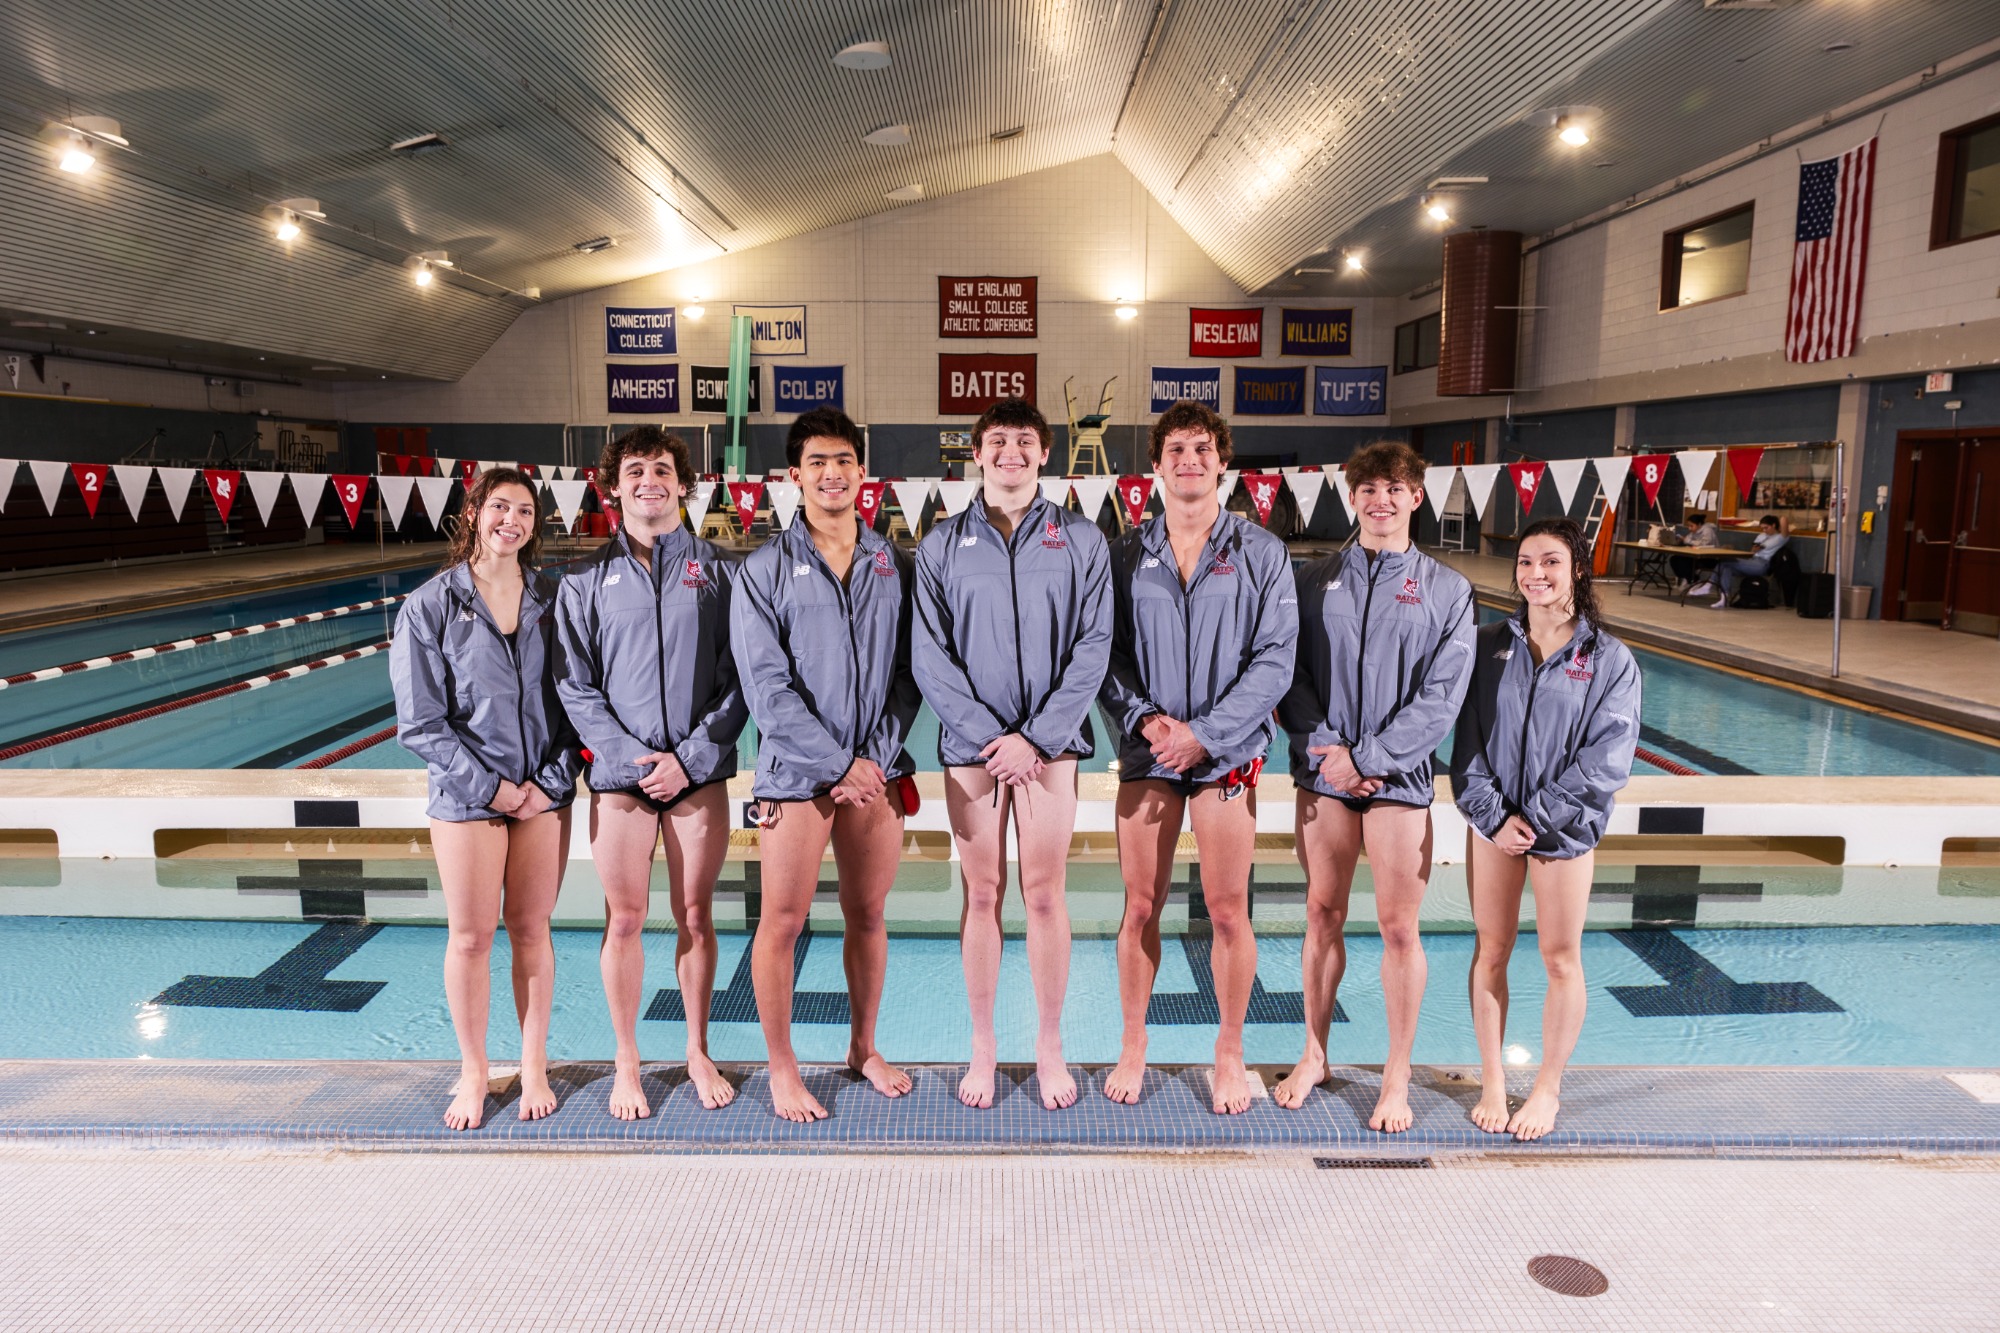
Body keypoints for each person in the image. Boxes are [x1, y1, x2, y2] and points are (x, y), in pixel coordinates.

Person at [912, 396, 1113, 1111]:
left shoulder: (1083, 540)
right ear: (976, 453)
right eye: (997, 441)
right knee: (984, 894)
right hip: (973, 751)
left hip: (1050, 749)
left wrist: (1037, 736)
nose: (1010, 453)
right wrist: (991, 738)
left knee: (1045, 893)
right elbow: (929, 655)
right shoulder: (939, 545)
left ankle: (1049, 1043)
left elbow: (1095, 646)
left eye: (1023, 441)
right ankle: (983, 1045)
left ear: (1045, 453)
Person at [1099, 402, 1298, 1115]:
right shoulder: (1124, 553)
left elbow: (1275, 660)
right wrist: (1148, 720)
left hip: (1226, 755)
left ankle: (1229, 1049)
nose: (1189, 459)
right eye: (1175, 449)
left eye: (1202, 448)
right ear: (1154, 466)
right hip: (1150, 750)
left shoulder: (1260, 552)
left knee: (1225, 908)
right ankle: (1133, 1042)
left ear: (1223, 462)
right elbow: (1104, 653)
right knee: (1140, 905)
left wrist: (1206, 733)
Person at [1275, 440, 1476, 1131]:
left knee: (1398, 927)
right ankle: (1314, 1051)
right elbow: (1289, 673)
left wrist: (1370, 756)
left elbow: (1442, 699)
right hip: (1325, 772)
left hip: (1398, 777)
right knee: (1322, 914)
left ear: (1416, 497)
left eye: (1394, 489)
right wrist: (1326, 748)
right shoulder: (1311, 579)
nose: (1380, 500)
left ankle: (1396, 1075)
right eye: (1368, 489)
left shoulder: (1449, 590)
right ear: (1352, 496)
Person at [731, 408, 922, 1122]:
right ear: (794, 476)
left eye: (844, 459)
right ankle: (782, 1066)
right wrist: (838, 762)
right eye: (817, 461)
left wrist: (871, 757)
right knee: (781, 919)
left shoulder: (892, 563)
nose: (832, 472)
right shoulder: (764, 571)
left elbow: (911, 673)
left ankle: (863, 1046)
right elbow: (766, 687)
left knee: (867, 913)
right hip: (796, 775)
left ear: (862, 472)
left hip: (875, 768)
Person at [555, 426, 747, 1120]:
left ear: (684, 482)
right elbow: (574, 686)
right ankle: (628, 1057)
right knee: (627, 918)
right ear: (613, 486)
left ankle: (697, 1047)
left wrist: (689, 758)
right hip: (620, 777)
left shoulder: (722, 571)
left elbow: (741, 678)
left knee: (696, 913)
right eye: (634, 470)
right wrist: (634, 759)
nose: (649, 480)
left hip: (697, 773)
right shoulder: (583, 581)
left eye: (662, 469)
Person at [390, 467, 579, 1131]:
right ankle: (474, 1068)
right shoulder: (430, 606)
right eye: (501, 506)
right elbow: (420, 723)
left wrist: (547, 784)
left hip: (543, 794)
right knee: (471, 938)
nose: (513, 520)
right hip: (469, 798)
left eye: (525, 510)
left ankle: (532, 1062)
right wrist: (495, 787)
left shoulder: (551, 601)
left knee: (532, 931)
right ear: (473, 512)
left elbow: (574, 702)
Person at [1452, 517, 1640, 1141]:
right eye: (1526, 562)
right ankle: (1493, 1082)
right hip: (1494, 826)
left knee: (1561, 958)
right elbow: (1467, 745)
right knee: (1491, 951)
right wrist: (1492, 816)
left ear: (1577, 570)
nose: (1536, 573)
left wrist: (1532, 818)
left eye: (1551, 562)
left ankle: (1549, 1089)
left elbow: (1607, 759)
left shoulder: (1609, 660)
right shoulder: (1487, 647)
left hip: (1561, 831)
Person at [1690, 514, 1787, 609]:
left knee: (1726, 560)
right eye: (1762, 528)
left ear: (1773, 525)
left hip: (1762, 564)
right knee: (1726, 567)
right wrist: (1755, 549)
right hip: (1752, 560)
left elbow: (1784, 520)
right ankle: (1724, 598)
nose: (1764, 530)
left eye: (1766, 528)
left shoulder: (1780, 538)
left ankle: (1708, 585)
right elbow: (1752, 551)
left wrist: (1778, 520)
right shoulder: (1761, 536)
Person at [1668, 511, 1719, 587]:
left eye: (1691, 526)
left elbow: (1704, 543)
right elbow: (1687, 539)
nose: (1689, 528)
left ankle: (1694, 580)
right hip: (1696, 556)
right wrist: (1682, 540)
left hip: (1709, 558)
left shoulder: (1707, 531)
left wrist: (1688, 541)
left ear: (1699, 525)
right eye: (1688, 526)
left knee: (1685, 562)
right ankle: (1689, 578)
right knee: (1674, 559)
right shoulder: (1693, 532)